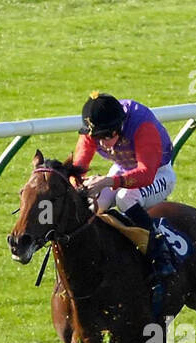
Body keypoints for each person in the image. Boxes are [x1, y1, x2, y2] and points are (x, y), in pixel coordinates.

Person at [71, 92, 177, 285]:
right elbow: (77, 170)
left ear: (118, 128)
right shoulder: (93, 131)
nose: (101, 144)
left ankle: (160, 255)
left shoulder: (142, 125)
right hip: (123, 170)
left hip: (158, 174)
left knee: (125, 198)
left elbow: (146, 174)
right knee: (92, 204)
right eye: (96, 137)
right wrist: (81, 185)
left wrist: (108, 181)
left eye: (104, 137)